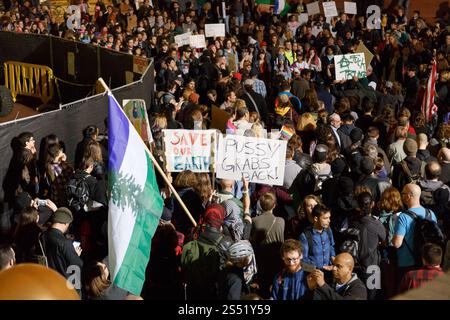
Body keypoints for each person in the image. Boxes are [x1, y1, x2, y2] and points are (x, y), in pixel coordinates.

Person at [392, 184, 438, 287]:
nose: (401, 196)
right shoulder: (430, 213)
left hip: (406, 262)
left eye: (403, 193)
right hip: (425, 261)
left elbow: (397, 244)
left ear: (408, 196)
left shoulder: (403, 217)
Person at [41, 207, 83, 279]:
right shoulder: (65, 243)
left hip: (47, 277)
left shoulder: (42, 235)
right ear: (66, 223)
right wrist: (75, 255)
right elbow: (77, 265)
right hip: (62, 282)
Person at [299, 205, 335, 270]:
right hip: (314, 274)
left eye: (329, 217)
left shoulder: (328, 230)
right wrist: (319, 268)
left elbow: (331, 246)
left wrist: (333, 257)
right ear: (316, 219)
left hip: (329, 271)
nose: (329, 220)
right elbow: (303, 260)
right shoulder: (305, 236)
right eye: (325, 218)